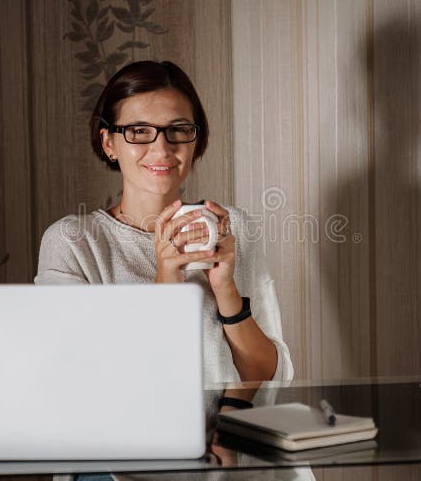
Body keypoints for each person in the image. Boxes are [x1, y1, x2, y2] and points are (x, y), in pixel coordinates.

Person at [34, 60, 293, 386]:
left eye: (178, 129)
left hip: (229, 436)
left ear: (195, 139)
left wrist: (226, 290)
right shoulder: (73, 242)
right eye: (139, 131)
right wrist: (166, 281)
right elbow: (75, 381)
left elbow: (269, 377)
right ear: (108, 143)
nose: (162, 147)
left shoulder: (233, 228)